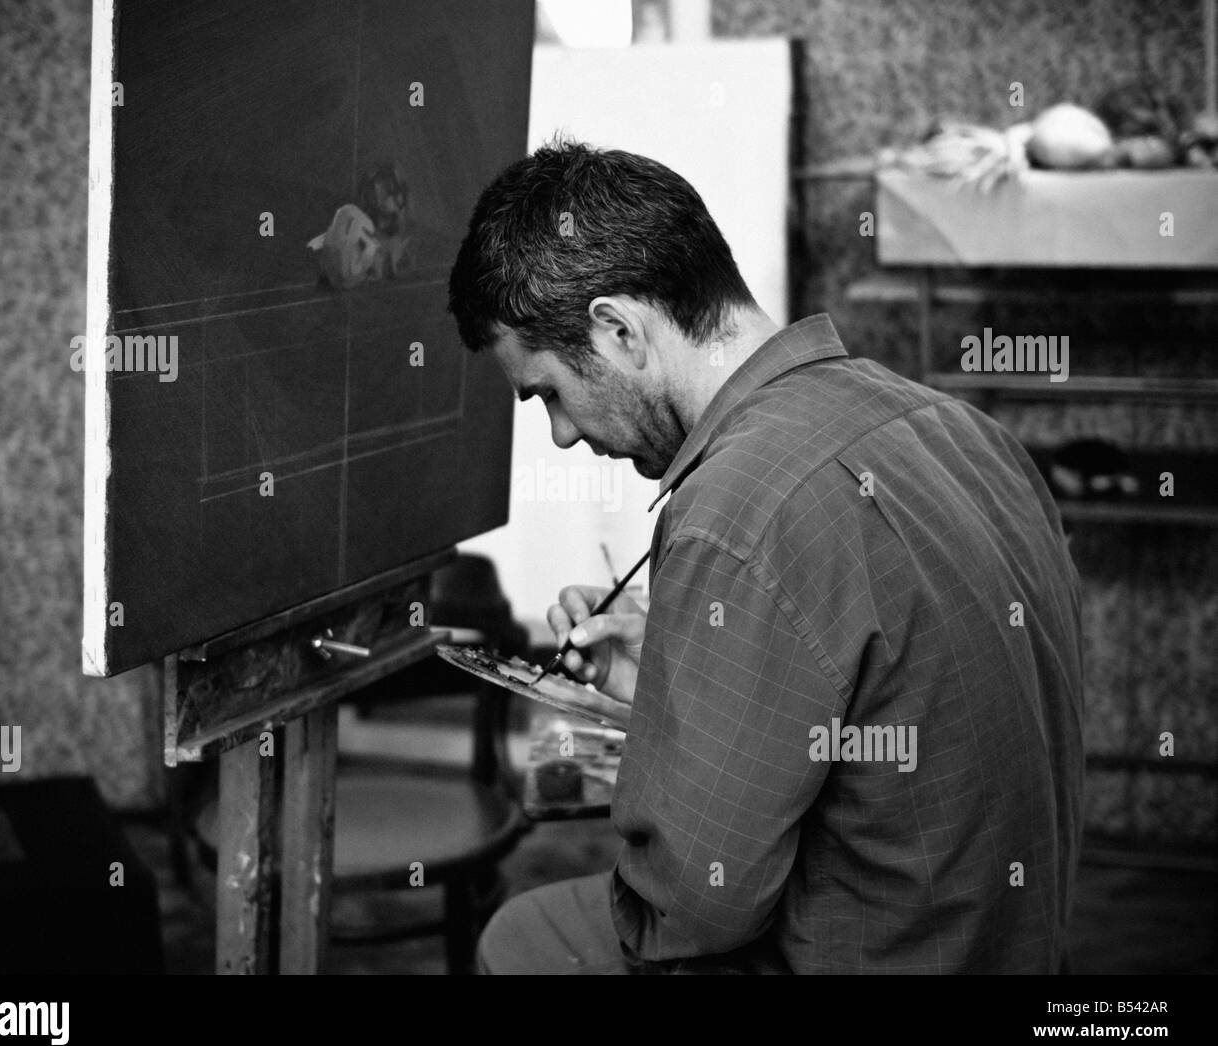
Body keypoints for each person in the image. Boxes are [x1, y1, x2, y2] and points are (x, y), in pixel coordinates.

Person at [447, 139, 1085, 974]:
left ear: (619, 329)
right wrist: (683, 679)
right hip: (1016, 946)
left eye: (550, 395)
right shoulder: (960, 430)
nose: (563, 434)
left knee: (524, 937)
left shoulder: (735, 508)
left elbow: (689, 908)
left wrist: (670, 758)